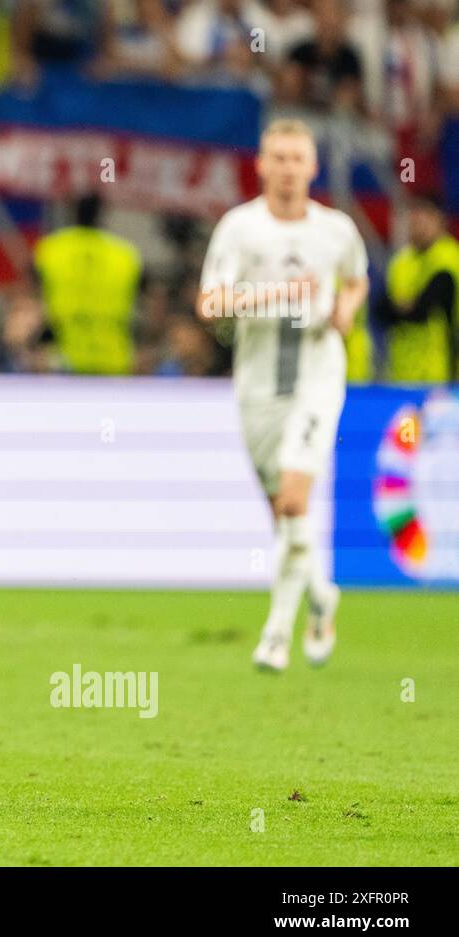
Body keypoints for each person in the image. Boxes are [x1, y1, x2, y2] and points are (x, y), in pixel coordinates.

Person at [197, 118, 369, 672]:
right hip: (258, 386)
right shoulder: (239, 229)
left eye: (299, 159)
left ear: (313, 167)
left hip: (319, 378)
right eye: (280, 158)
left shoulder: (337, 229)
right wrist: (278, 293)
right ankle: (322, 595)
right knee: (284, 517)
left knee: (296, 501)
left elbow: (356, 278)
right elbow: (210, 305)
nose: (290, 169)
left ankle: (275, 634)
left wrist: (345, 307)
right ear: (262, 165)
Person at [32, 194, 142, 375]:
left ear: (73, 214)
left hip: (63, 356)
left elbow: (35, 294)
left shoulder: (51, 249)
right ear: (102, 215)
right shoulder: (125, 255)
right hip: (114, 356)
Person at [377, 193, 459, 383]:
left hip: (442, 367)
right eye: (414, 218)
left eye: (425, 217)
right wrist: (406, 307)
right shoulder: (401, 262)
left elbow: (424, 309)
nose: (418, 224)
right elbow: (380, 310)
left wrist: (402, 307)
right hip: (401, 369)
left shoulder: (450, 257)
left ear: (440, 221)